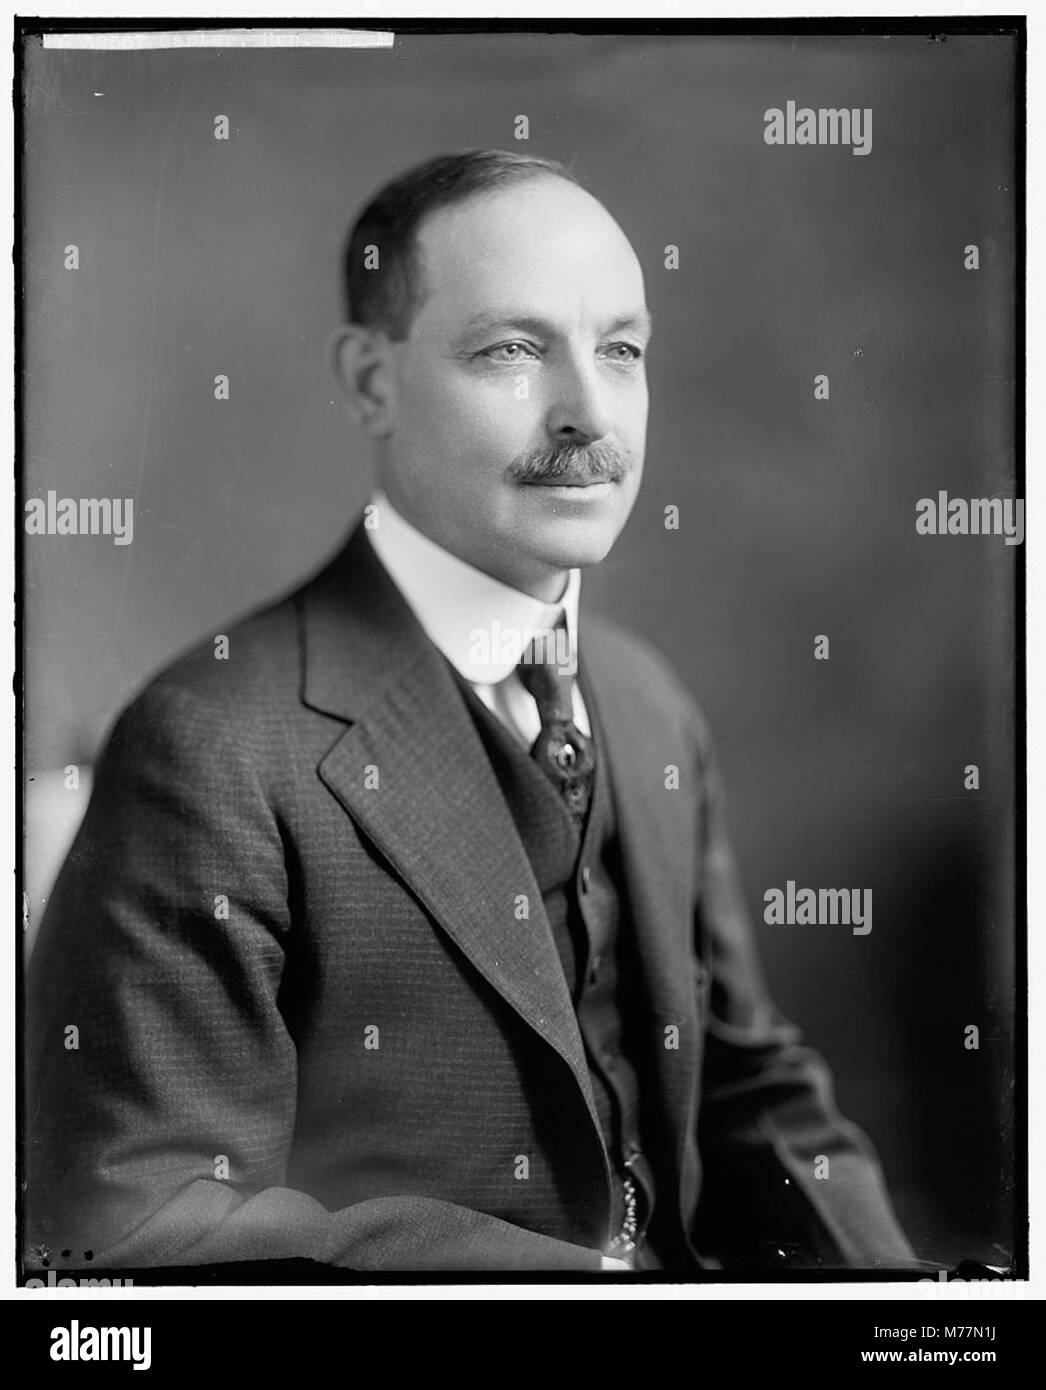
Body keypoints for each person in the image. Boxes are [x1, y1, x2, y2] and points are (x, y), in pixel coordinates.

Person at [25, 149, 917, 1275]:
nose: (586, 412)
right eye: (510, 350)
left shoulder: (643, 702)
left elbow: (746, 1078)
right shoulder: (212, 742)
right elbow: (147, 1220)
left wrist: (910, 1316)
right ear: (370, 380)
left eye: (621, 351)